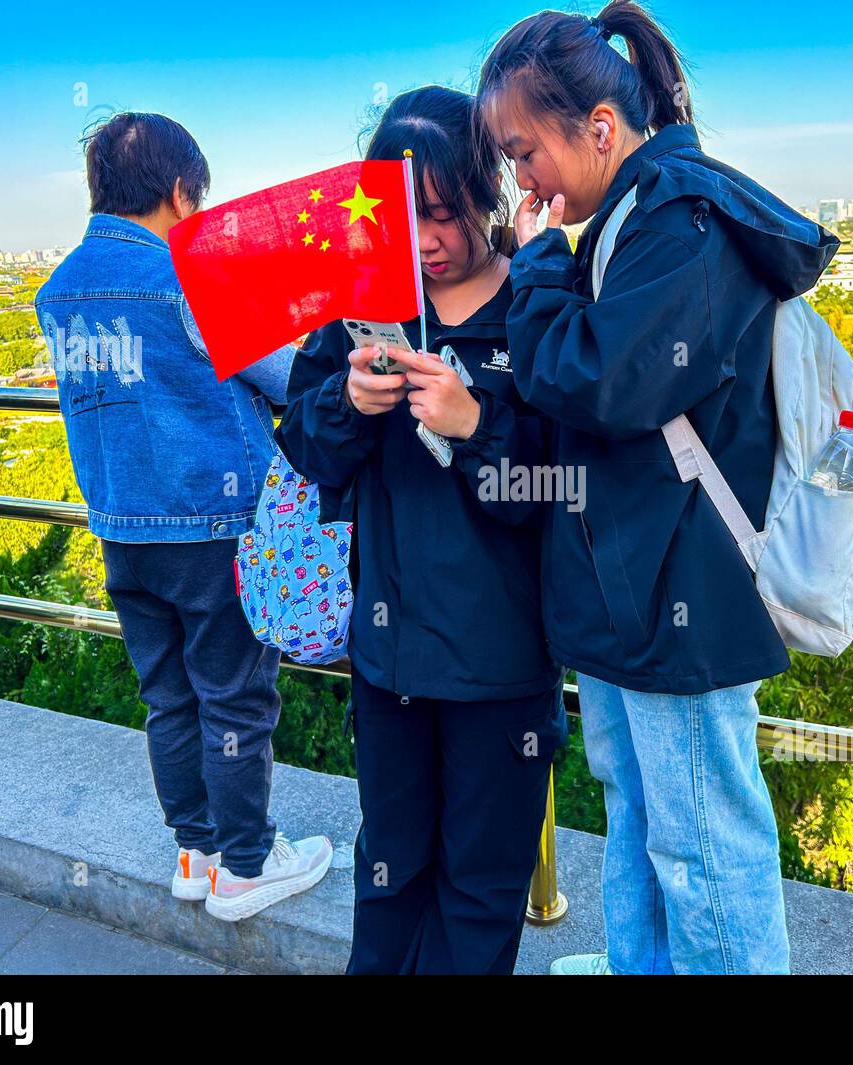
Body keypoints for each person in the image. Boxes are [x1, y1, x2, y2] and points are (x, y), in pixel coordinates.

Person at [477, 1, 840, 973]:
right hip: (630, 587)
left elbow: (600, 379)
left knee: (704, 844)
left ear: (600, 128)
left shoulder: (683, 222)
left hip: (683, 589)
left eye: (524, 151)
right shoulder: (632, 217)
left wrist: (538, 268)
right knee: (643, 823)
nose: (519, 179)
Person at [275, 86, 567, 974]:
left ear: (484, 190)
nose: (427, 241)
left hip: (502, 666)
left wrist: (476, 423)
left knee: (480, 889)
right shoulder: (361, 306)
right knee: (389, 872)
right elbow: (305, 446)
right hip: (391, 657)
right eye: (403, 221)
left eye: (441, 215)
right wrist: (346, 401)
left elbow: (564, 485)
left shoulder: (537, 302)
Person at [35, 112, 333, 923]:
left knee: (168, 696)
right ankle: (245, 863)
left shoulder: (57, 290)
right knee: (235, 694)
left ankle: (195, 851)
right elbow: (288, 377)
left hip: (121, 529)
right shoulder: (193, 274)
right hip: (211, 523)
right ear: (178, 191)